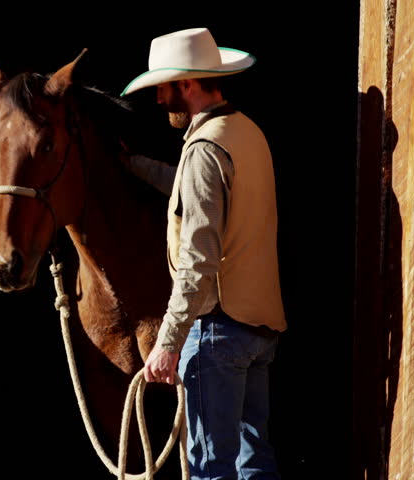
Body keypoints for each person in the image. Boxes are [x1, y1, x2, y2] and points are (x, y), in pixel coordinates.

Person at [120, 28, 287, 479]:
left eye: (164, 88)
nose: (159, 100)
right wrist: (133, 165)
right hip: (259, 328)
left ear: (188, 84)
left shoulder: (204, 150)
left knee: (212, 470)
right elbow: (192, 188)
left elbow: (197, 262)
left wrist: (167, 344)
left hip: (217, 333)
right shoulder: (244, 131)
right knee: (256, 464)